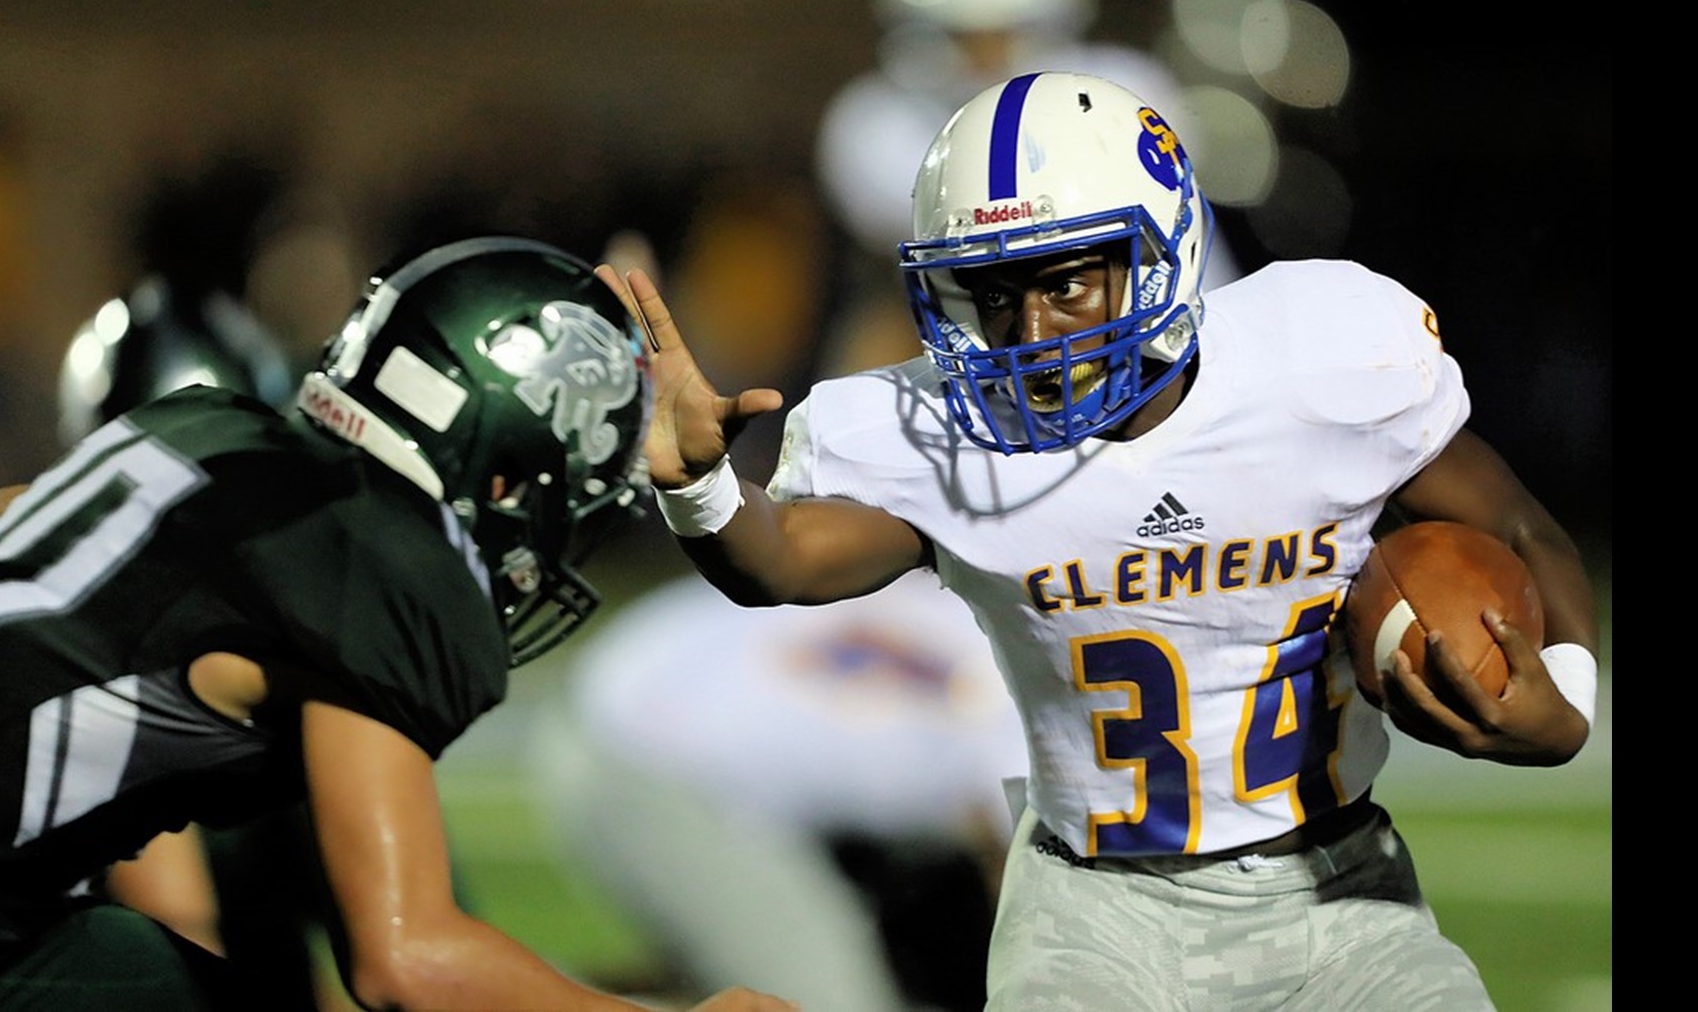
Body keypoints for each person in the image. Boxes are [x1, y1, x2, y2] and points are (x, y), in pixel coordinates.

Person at [604, 71, 1599, 1010]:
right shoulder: (942, 434)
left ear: (1159, 251)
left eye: (1067, 283)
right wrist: (698, 484)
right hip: (1095, 913)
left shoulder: (1314, 364)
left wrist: (1571, 697)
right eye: (994, 295)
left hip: (1342, 889)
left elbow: (1512, 525)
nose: (1032, 332)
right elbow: (776, 560)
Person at [0, 234, 797, 1012]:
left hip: (27, 918)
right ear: (502, 448)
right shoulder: (389, 563)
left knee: (128, 963)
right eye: (563, 480)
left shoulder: (210, 428)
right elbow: (405, 963)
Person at [529, 568, 1029, 1012]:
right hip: (659, 759)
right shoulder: (1034, 684)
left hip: (640, 683)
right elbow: (1020, 882)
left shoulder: (990, 606)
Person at [814, 0, 1242, 378]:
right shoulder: (873, 121)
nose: (986, 53)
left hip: (1164, 305)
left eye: (1006, 30)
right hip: (1001, 332)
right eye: (963, 34)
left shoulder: (1128, 86)